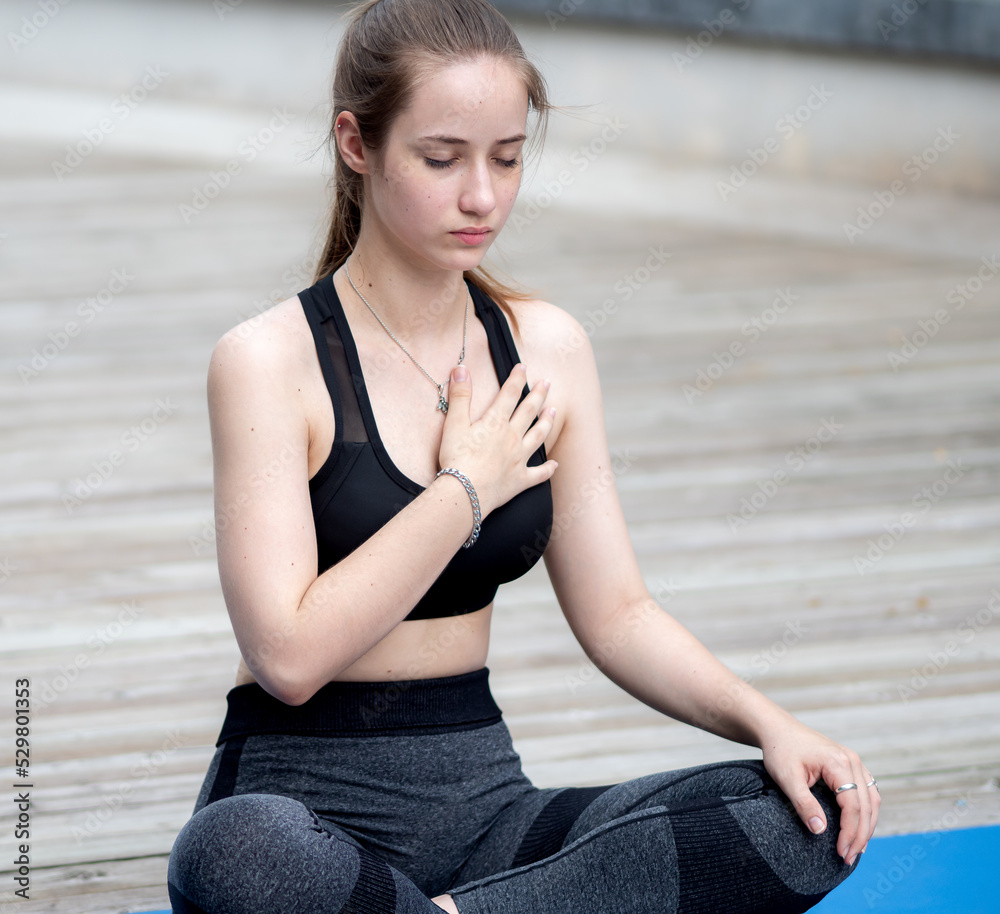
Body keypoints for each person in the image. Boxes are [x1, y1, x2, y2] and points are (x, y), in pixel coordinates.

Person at [166, 1, 879, 911]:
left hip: (490, 821)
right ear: (356, 143)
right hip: (303, 816)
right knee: (233, 855)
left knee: (806, 811)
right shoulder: (269, 361)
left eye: (507, 158)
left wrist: (770, 724)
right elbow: (290, 655)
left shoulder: (547, 351)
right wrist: (465, 490)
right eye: (442, 158)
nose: (482, 197)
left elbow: (617, 614)